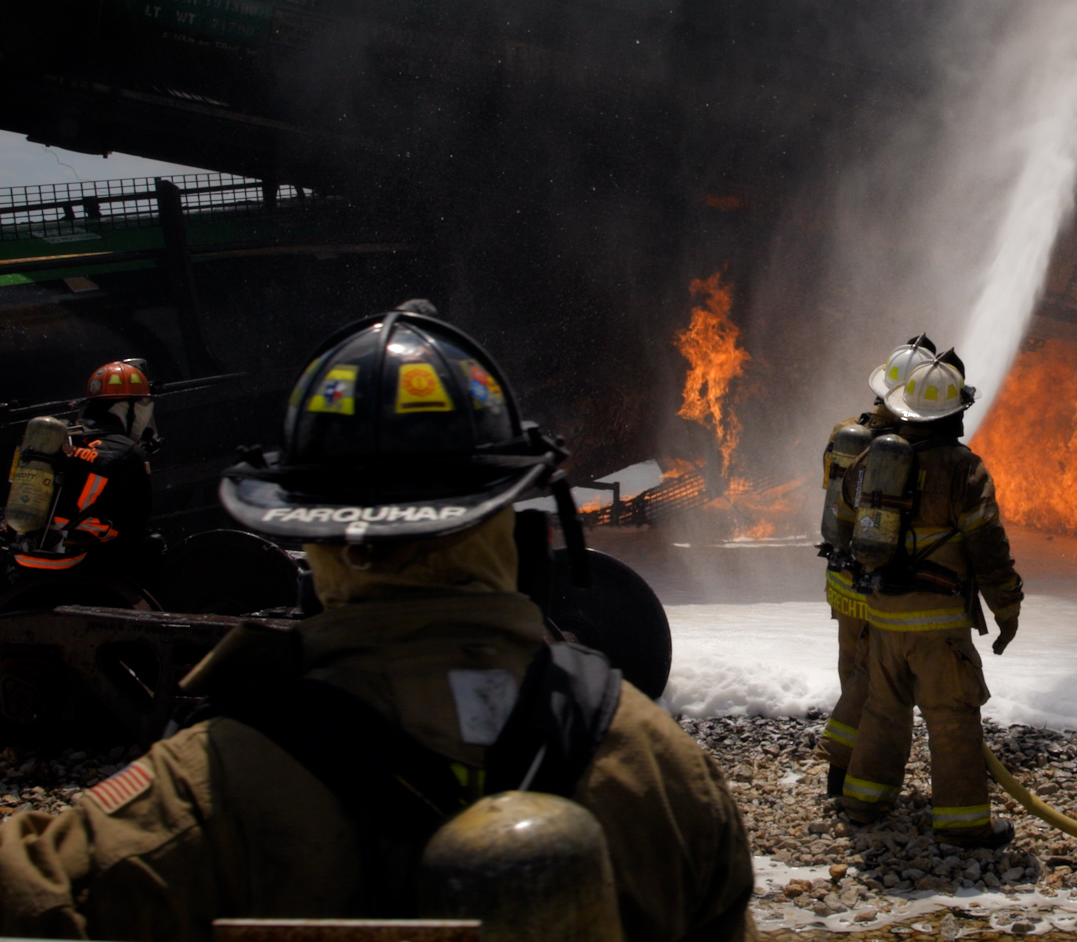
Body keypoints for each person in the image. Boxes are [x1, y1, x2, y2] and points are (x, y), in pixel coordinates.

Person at [0, 310, 757, 941]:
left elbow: (34, 903)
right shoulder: (664, 773)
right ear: (515, 525)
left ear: (314, 542)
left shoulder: (202, 791)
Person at [834, 349, 1023, 849]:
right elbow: (989, 549)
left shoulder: (871, 458)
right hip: (938, 627)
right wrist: (1008, 607)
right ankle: (963, 827)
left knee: (882, 709)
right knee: (952, 718)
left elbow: (847, 518)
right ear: (954, 414)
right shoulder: (963, 469)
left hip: (882, 614)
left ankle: (863, 803)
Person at [816, 334, 934, 795]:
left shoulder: (848, 433)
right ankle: (874, 784)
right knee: (887, 690)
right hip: (887, 589)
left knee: (853, 674)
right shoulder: (912, 449)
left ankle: (839, 775)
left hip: (843, 582)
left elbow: (832, 488)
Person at [4, 360, 158, 579]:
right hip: (79, 566)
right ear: (131, 408)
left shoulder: (57, 439)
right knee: (150, 543)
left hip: (23, 562)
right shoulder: (127, 452)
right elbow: (137, 522)